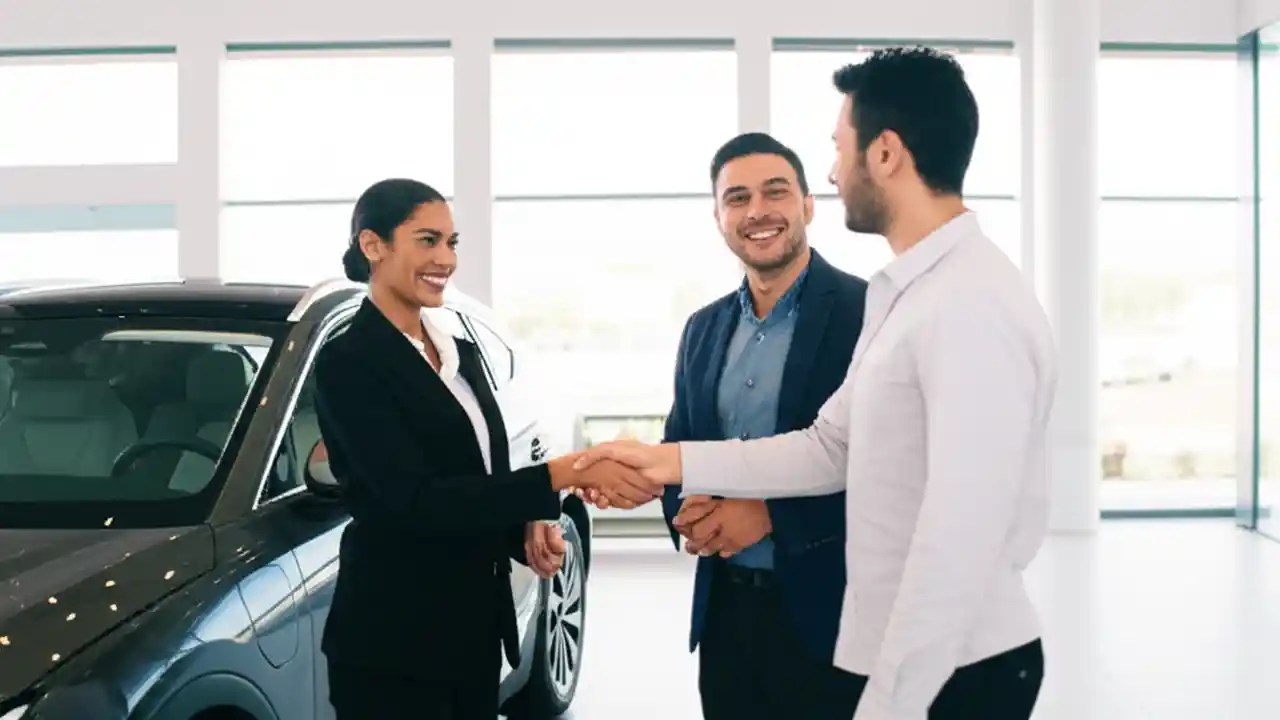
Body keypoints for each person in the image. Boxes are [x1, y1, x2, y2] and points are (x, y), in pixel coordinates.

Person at [576, 47, 1057, 720]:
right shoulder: (912, 295)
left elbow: (961, 535)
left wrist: (889, 701)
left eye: (840, 147)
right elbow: (828, 448)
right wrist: (660, 462)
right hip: (893, 652)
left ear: (885, 154)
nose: (835, 170)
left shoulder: (967, 304)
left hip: (957, 668)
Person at [312, 178, 660, 719]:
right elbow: (415, 501)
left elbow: (478, 472)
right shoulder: (347, 363)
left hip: (473, 637)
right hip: (393, 649)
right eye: (427, 240)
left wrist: (526, 526)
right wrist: (560, 476)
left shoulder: (460, 352)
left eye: (452, 242)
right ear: (372, 245)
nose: (445, 259)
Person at [663, 132, 867, 720]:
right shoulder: (702, 328)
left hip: (833, 616)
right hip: (726, 618)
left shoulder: (869, 311)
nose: (756, 212)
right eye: (737, 198)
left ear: (807, 204)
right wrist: (689, 513)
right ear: (718, 216)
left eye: (775, 193)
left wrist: (770, 516)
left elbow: (896, 467)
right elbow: (680, 444)